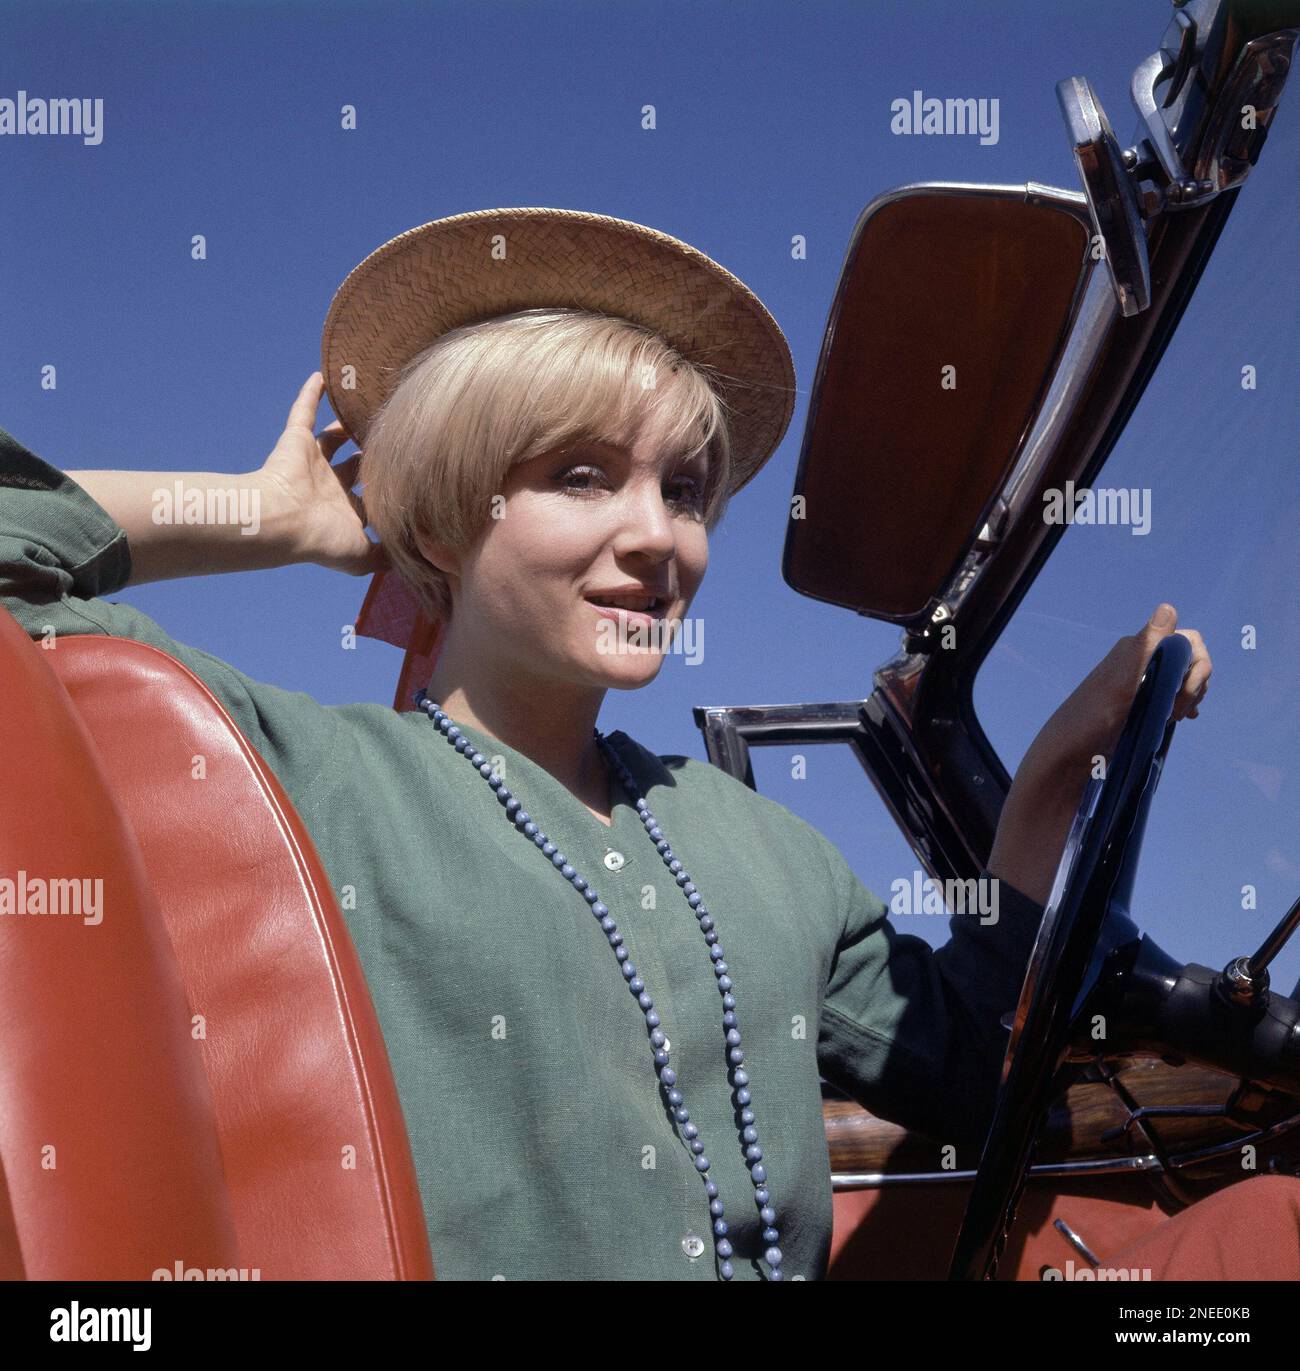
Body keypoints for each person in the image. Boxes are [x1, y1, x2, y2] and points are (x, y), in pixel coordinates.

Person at [0, 208, 1229, 1281]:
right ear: (444, 521)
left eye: (685, 491)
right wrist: (271, 518)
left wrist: (1059, 771)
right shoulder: (300, 779)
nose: (660, 537)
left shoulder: (769, 854)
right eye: (582, 477)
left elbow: (971, 1066)